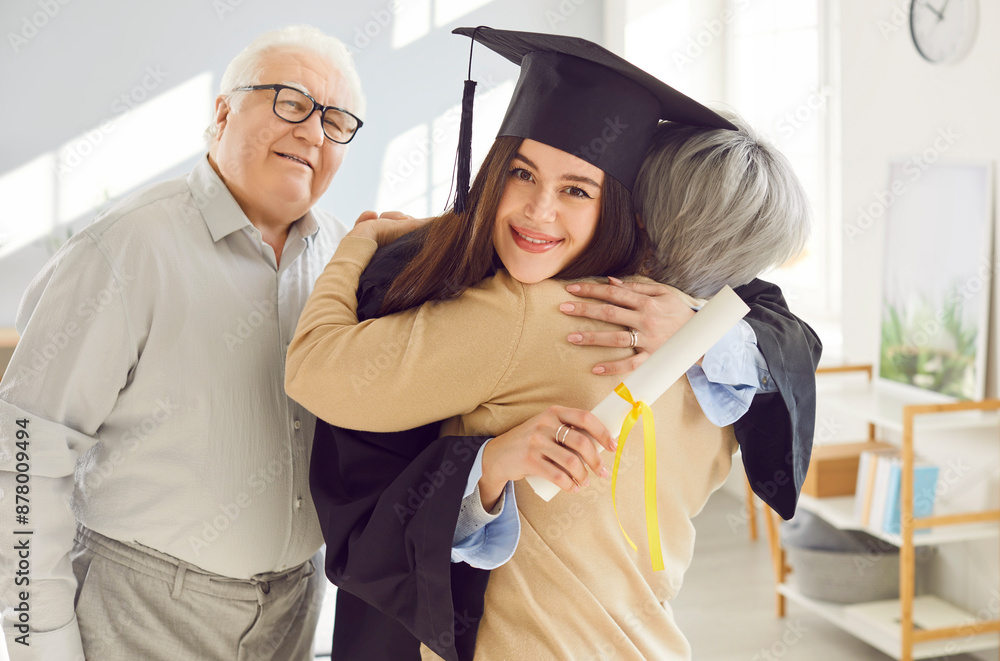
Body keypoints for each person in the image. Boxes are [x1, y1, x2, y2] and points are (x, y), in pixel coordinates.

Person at [288, 27, 820, 661]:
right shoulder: (733, 375)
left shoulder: (538, 316)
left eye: (578, 188)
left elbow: (318, 371)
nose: (539, 212)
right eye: (521, 174)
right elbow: (792, 341)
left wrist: (362, 242)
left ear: (635, 207)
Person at [0, 25, 365, 660]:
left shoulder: (345, 259)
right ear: (223, 111)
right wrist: (42, 642)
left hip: (293, 615)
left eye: (336, 120)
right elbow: (26, 458)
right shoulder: (125, 249)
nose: (313, 131)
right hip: (139, 613)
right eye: (292, 102)